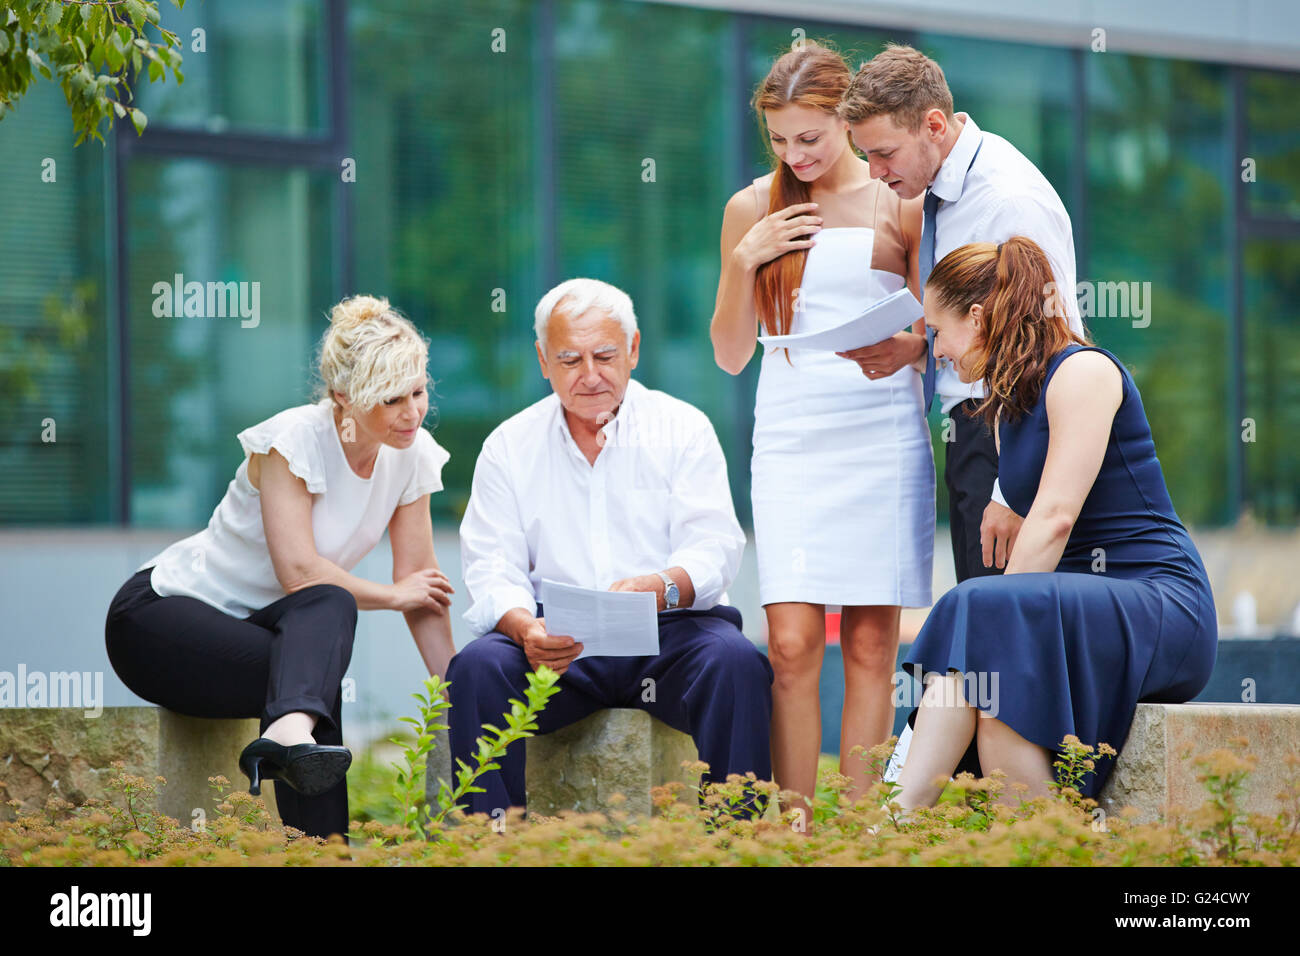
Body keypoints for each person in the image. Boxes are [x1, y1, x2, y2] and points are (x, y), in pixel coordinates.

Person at [104, 295, 456, 840]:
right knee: (318, 640)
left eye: (418, 391)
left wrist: (454, 690)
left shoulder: (411, 452)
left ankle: (303, 787)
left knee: (312, 665)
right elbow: (299, 572)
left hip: (262, 642)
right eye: (391, 400)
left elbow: (423, 586)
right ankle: (321, 838)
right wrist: (392, 596)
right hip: (158, 621)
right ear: (344, 397)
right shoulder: (293, 442)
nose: (412, 412)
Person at [894, 236, 1218, 809]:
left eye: (937, 331)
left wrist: (997, 625)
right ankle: (1058, 845)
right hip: (1074, 613)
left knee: (978, 612)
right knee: (1000, 709)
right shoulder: (1005, 406)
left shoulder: (1083, 372)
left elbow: (1055, 518)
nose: (935, 350)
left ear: (976, 318)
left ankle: (892, 819)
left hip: (1158, 604)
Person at [450, 277, 773, 817]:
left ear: (634, 349)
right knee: (478, 667)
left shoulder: (682, 428)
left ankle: (737, 839)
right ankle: (491, 840)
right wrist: (525, 627)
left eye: (605, 355)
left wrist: (660, 586)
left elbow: (714, 546)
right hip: (557, 644)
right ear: (543, 360)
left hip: (667, 632)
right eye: (569, 360)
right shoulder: (509, 445)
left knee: (735, 661)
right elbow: (491, 565)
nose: (590, 375)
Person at [709, 41, 933, 818]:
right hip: (794, 440)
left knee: (874, 646)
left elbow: (932, 335)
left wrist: (912, 347)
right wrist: (746, 261)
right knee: (795, 646)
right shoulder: (752, 207)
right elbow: (731, 355)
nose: (794, 154)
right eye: (778, 139)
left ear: (846, 119)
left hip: (883, 435)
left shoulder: (897, 201)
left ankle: (862, 828)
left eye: (809, 136)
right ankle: (794, 825)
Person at [840, 43, 1086, 582]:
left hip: (1005, 438)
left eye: (884, 153)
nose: (875, 172)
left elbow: (1049, 354)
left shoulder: (1005, 200)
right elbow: (988, 333)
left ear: (933, 124)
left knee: (1003, 639)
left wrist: (1010, 489)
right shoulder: (948, 189)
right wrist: (918, 349)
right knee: (988, 623)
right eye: (865, 156)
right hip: (975, 436)